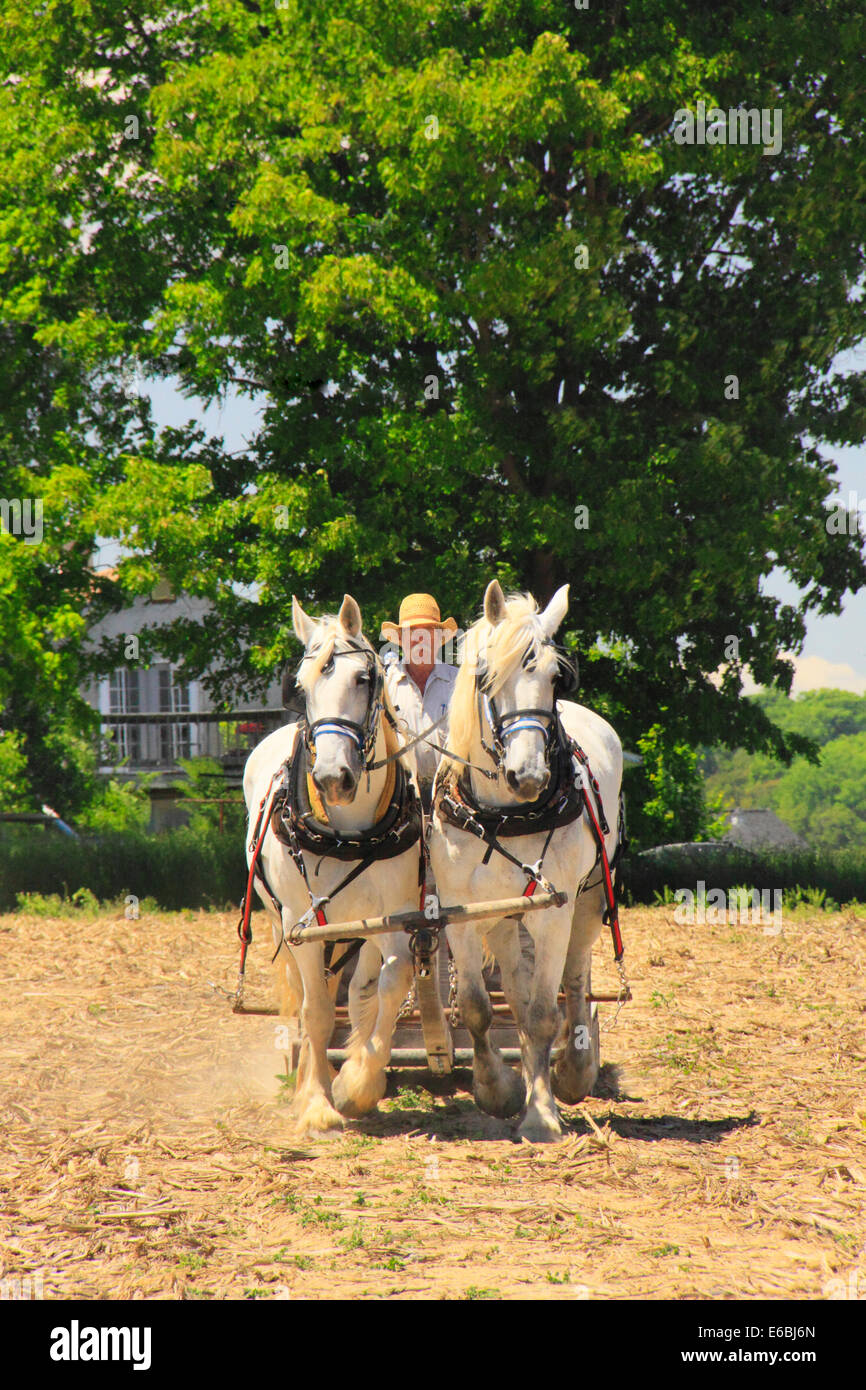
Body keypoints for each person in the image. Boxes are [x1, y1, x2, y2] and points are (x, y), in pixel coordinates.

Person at [381, 593, 459, 810]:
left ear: (439, 638)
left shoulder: (461, 684)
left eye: (428, 632)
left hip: (455, 808)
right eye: (411, 632)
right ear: (400, 639)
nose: (419, 639)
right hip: (399, 810)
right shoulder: (384, 687)